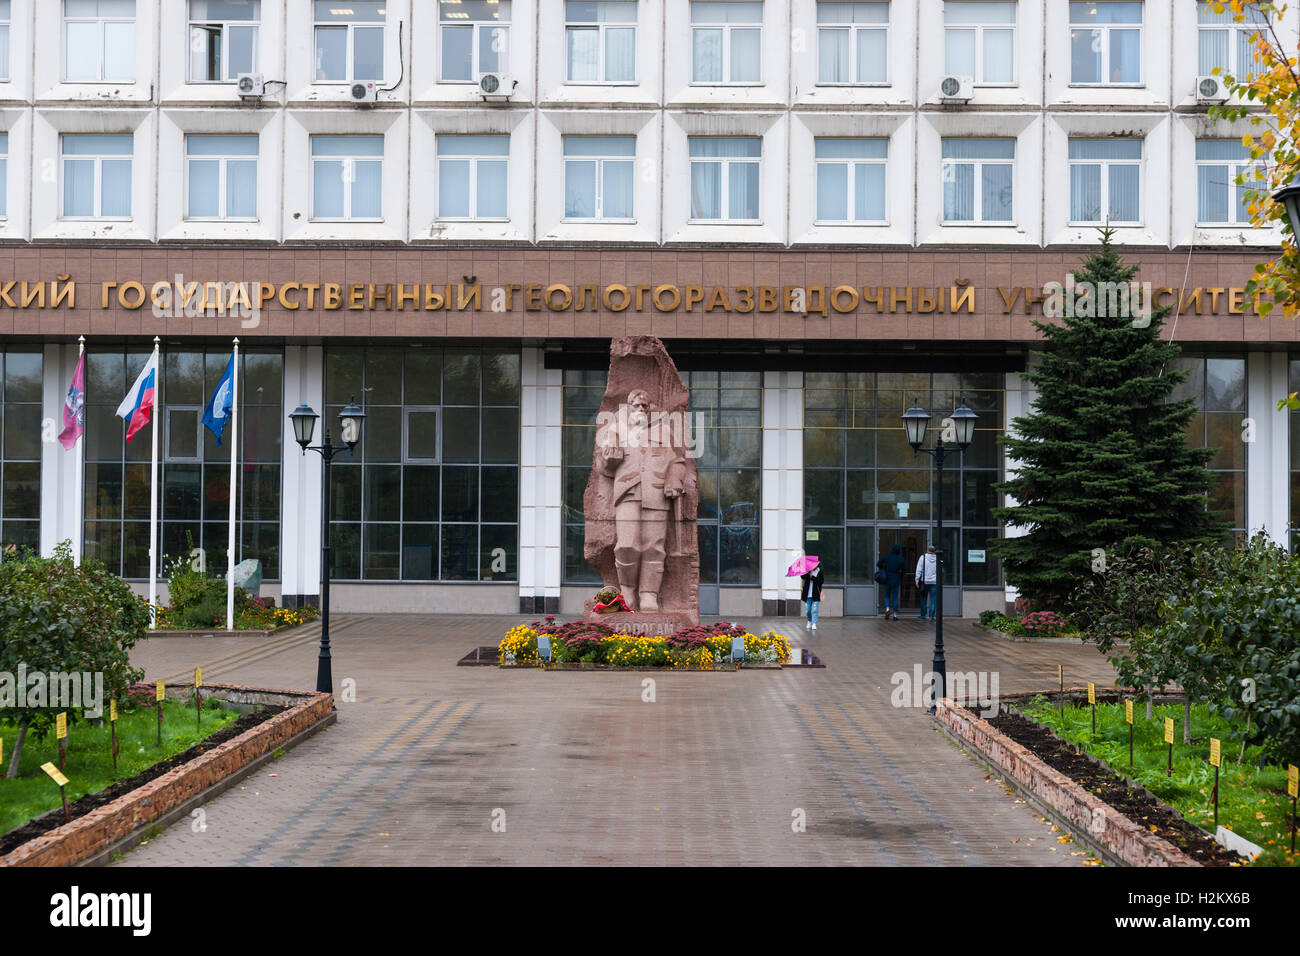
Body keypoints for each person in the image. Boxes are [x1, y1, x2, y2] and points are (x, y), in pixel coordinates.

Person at [597, 388, 686, 612]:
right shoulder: (615, 430)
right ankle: (627, 590)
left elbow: (678, 462)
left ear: (650, 409)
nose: (640, 409)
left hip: (656, 493)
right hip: (627, 491)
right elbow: (604, 468)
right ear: (628, 407)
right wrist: (609, 458)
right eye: (636, 405)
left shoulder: (664, 431)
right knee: (627, 544)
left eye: (644, 406)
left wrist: (674, 480)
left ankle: (649, 594)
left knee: (654, 547)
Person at [877, 543, 904, 620]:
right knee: (895, 598)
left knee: (886, 595)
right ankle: (895, 615)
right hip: (896, 579)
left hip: (887, 579)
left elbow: (878, 563)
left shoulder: (886, 557)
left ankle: (887, 609)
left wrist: (883, 568)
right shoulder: (901, 559)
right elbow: (904, 570)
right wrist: (900, 576)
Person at [799, 559, 824, 630]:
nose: (813, 566)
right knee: (807, 610)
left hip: (816, 594)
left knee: (815, 610)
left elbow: (820, 582)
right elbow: (802, 577)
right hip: (808, 594)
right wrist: (806, 572)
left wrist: (812, 577)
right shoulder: (808, 571)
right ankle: (809, 621)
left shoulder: (820, 572)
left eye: (814, 565)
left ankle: (814, 623)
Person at [915, 545, 938, 621]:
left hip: (925, 582)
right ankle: (932, 616)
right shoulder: (938, 558)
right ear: (934, 551)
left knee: (923, 599)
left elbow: (919, 569)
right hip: (934, 582)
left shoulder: (923, 557)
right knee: (933, 599)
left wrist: (917, 580)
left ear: (928, 550)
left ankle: (923, 615)